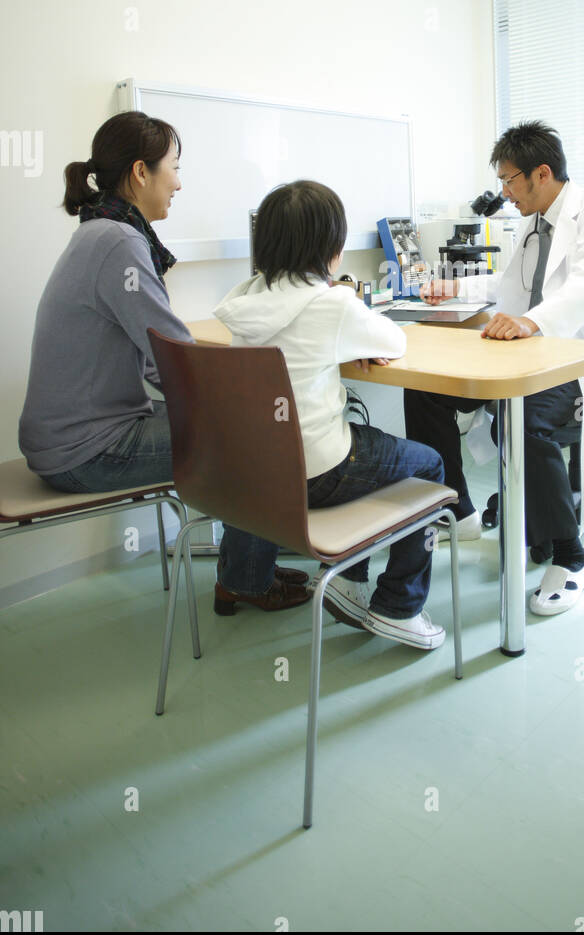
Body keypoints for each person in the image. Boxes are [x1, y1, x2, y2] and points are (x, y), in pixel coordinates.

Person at [18, 111, 310, 612]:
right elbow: (172, 363)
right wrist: (251, 391)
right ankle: (246, 577)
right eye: (173, 167)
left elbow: (159, 360)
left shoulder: (100, 231)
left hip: (68, 437)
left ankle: (247, 563)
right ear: (140, 172)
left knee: (241, 422)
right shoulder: (119, 242)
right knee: (255, 432)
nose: (178, 182)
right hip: (86, 450)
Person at [404, 120, 584, 617]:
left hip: (578, 358)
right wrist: (456, 290)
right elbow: (512, 281)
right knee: (424, 391)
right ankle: (458, 508)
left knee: (529, 419)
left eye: (510, 180)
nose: (505, 193)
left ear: (542, 173)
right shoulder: (534, 222)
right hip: (525, 352)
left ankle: (571, 557)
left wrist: (530, 323)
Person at [212, 180, 448, 651]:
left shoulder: (246, 296)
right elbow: (394, 341)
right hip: (317, 475)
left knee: (366, 441)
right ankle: (397, 605)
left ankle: (345, 580)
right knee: (428, 464)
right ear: (331, 248)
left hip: (258, 476)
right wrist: (351, 326)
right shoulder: (331, 303)